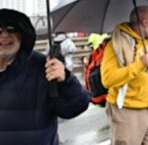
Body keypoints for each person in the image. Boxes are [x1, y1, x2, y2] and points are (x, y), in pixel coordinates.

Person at [0, 9, 89, 144]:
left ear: (23, 34)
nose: (5, 35)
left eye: (12, 29)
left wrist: (65, 81)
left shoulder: (44, 67)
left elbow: (75, 107)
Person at [101, 6, 148, 145]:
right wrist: (139, 64)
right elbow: (107, 79)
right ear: (145, 22)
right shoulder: (115, 43)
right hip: (128, 111)